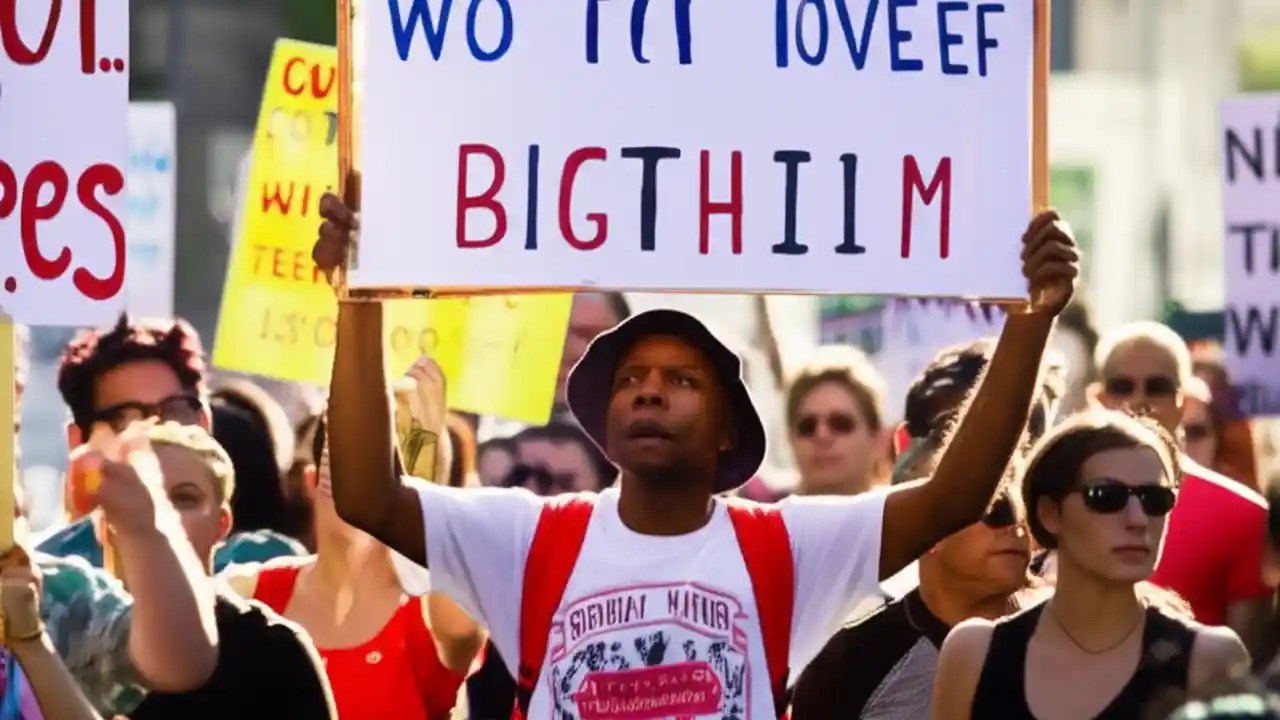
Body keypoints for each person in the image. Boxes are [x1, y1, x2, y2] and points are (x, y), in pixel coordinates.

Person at [313, 194, 1079, 717]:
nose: (650, 393)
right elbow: (367, 497)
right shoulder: (525, 539)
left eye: (681, 381)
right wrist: (356, 302)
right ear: (605, 424)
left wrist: (1030, 323)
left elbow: (952, 499)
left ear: (725, 430)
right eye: (633, 381)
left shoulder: (786, 547)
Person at [932, 411, 1249, 719]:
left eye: (1156, 499)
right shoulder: (973, 654)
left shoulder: (1209, 658)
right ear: (1050, 513)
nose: (1138, 520)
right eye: (1106, 497)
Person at [11, 323, 219, 716]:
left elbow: (180, 664)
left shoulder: (57, 597)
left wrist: (148, 525)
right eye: (124, 418)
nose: (154, 435)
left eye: (10, 427)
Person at [223, 416, 482, 720]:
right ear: (311, 480)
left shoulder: (432, 612)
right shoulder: (247, 593)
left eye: (385, 465)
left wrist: (427, 501)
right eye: (344, 460)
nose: (362, 483)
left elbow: (462, 631)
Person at [790, 449, 1044, 718]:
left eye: (1026, 508)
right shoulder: (851, 663)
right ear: (931, 527)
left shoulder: (1066, 633)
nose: (1017, 526)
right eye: (997, 506)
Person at [39, 316, 303, 573]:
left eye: (175, 411)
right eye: (125, 417)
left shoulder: (267, 572)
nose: (155, 431)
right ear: (78, 441)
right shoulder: (51, 577)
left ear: (204, 423)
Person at [112, 422, 335, 719]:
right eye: (142, 498)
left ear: (222, 524)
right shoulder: (71, 642)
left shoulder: (273, 653)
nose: (158, 516)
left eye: (184, 499)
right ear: (107, 525)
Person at [1093, 322, 1272, 660]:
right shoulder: (1059, 503)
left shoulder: (1243, 513)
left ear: (1185, 399)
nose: (1139, 399)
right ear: (1099, 398)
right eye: (1122, 386)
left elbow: (1248, 661)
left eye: (1157, 387)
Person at [784, 346, 890, 497]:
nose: (821, 435)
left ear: (878, 439)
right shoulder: (761, 518)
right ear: (790, 440)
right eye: (807, 427)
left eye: (841, 424)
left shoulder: (910, 518)